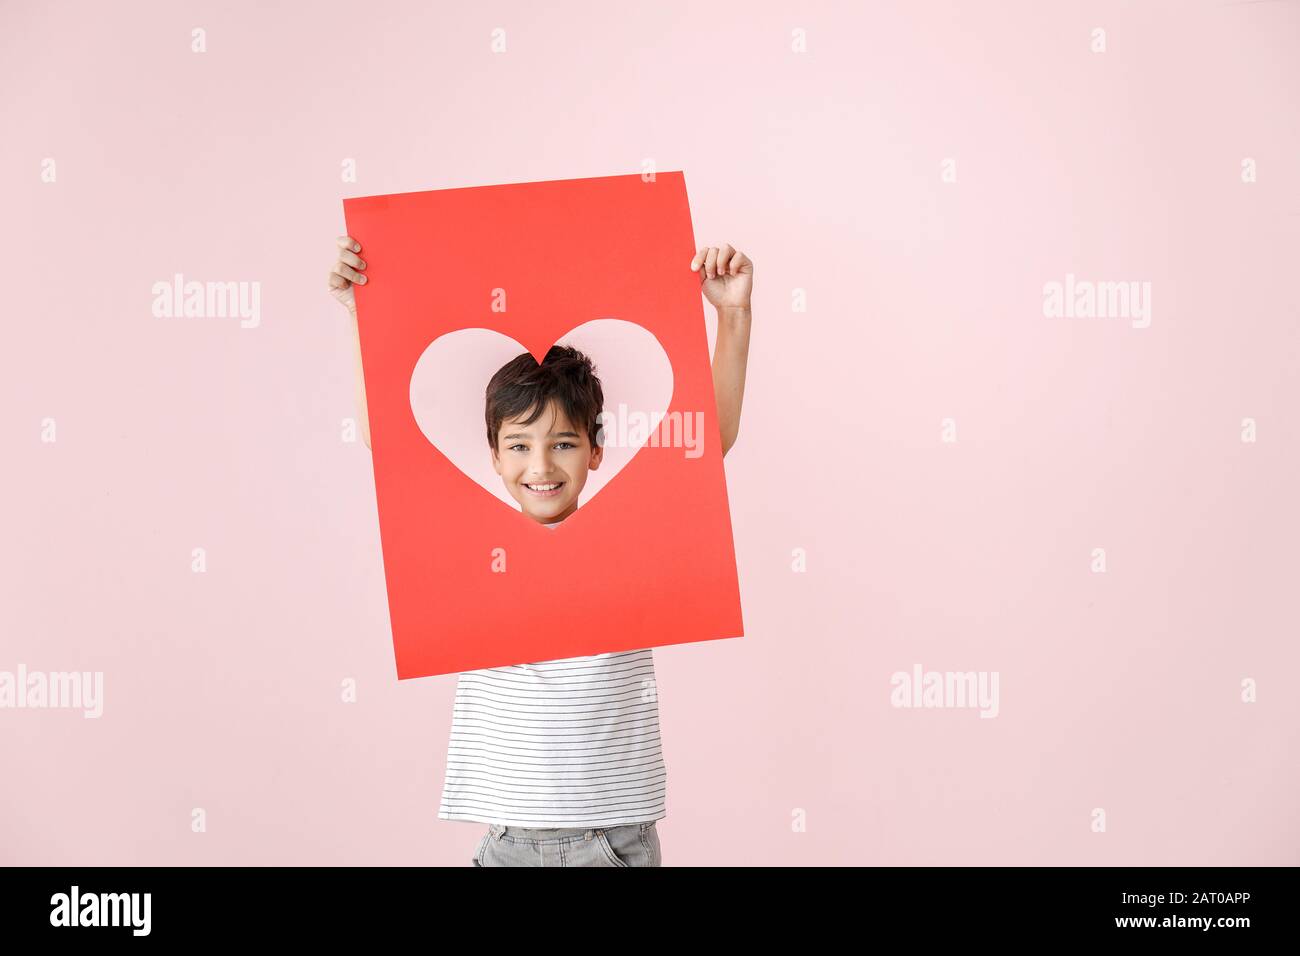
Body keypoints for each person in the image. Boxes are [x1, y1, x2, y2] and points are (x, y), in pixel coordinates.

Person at [327, 234, 753, 865]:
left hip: (612, 840)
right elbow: (387, 442)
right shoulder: (472, 546)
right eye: (520, 445)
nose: (541, 465)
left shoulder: (630, 539)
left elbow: (707, 445)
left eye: (563, 443)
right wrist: (366, 310)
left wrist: (733, 314)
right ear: (494, 456)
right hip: (506, 843)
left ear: (595, 450)